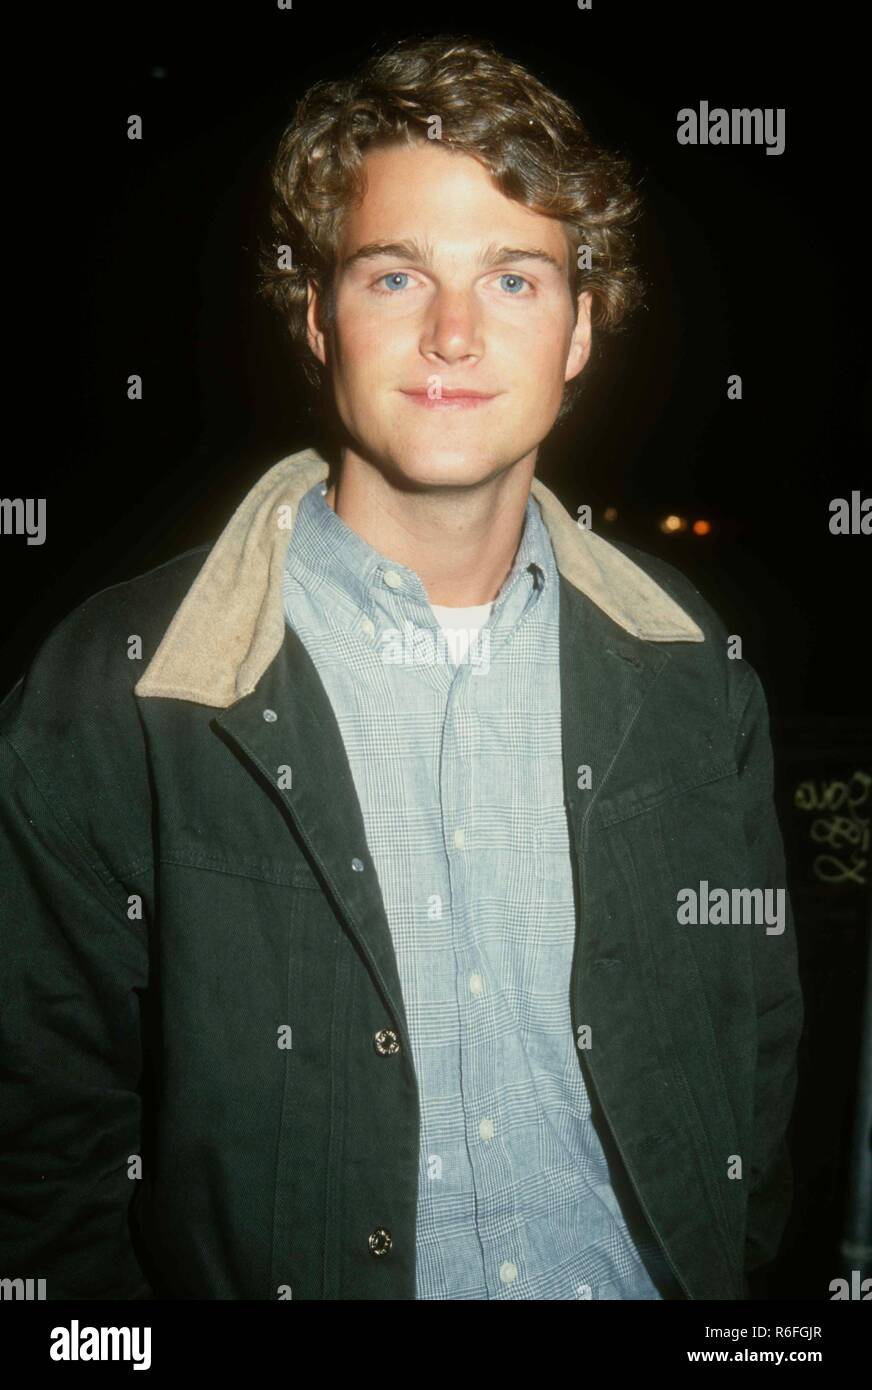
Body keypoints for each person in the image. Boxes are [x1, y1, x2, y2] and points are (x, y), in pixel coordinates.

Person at [0, 33, 803, 1300]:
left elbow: (753, 1045)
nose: (450, 333)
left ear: (580, 329)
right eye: (392, 276)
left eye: (514, 280)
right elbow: (41, 1144)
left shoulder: (695, 674)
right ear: (316, 315)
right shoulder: (122, 689)